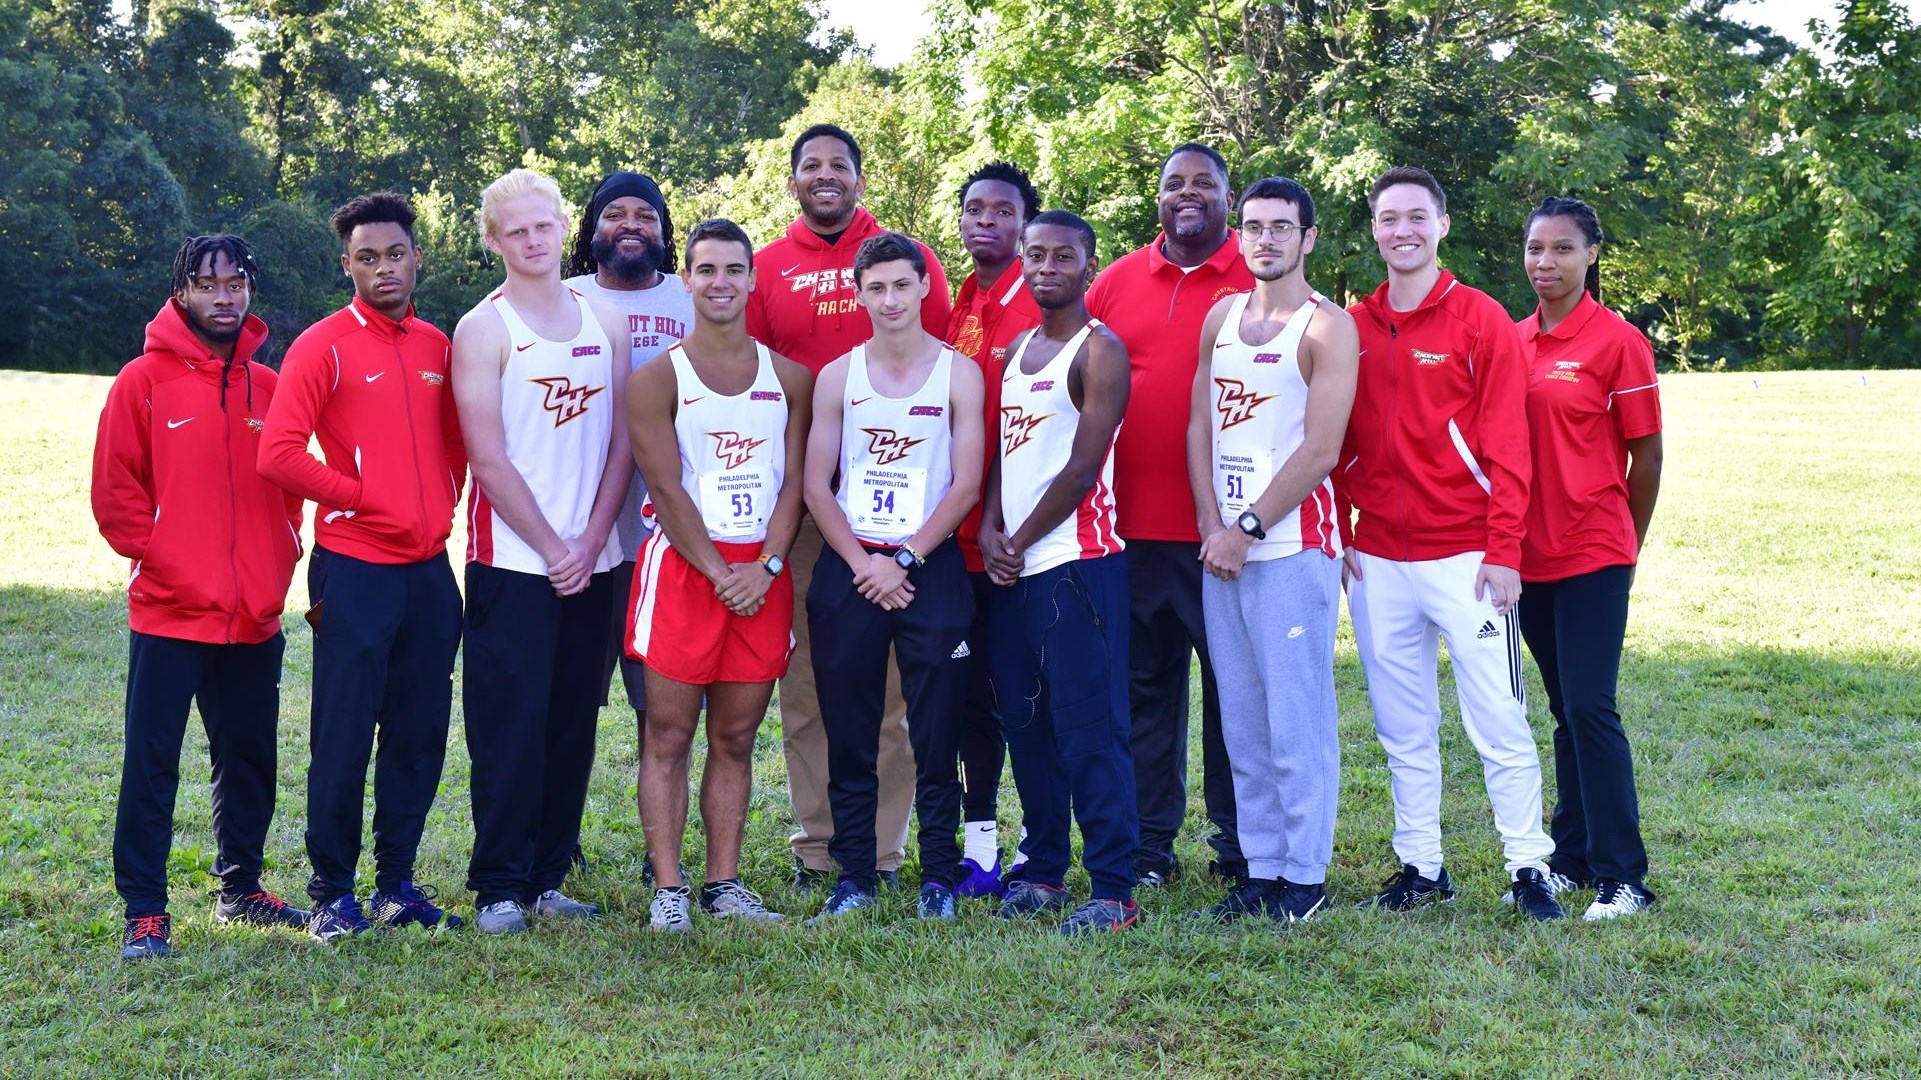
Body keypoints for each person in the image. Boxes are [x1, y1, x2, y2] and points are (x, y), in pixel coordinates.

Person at [1339, 166, 1562, 920]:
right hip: (1377, 561)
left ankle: (1528, 865)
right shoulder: (1353, 326)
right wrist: (1344, 535)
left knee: (1496, 716)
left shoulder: (1479, 319)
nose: (1400, 230)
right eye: (1386, 218)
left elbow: (1508, 446)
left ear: (1442, 225)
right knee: (1402, 726)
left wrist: (1503, 550)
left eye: (1415, 217)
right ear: (1373, 229)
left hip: (1467, 556)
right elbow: (1335, 442)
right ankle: (1420, 866)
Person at [745, 123, 951, 890]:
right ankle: (818, 846)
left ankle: (885, 853)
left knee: (894, 691)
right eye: (810, 166)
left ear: (860, 179)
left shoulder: (907, 255)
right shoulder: (765, 267)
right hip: (805, 507)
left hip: (903, 516)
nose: (824, 175)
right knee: (810, 688)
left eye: (839, 165)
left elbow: (938, 368)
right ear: (793, 180)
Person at [92, 235, 307, 959]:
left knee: (247, 757)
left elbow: (287, 488)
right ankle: (145, 912)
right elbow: (116, 493)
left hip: (253, 617)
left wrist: (282, 552)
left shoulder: (269, 387)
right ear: (181, 290)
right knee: (152, 763)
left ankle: (241, 887)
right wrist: (162, 558)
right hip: (170, 611)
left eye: (236, 283)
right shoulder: (141, 381)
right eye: (208, 284)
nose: (224, 297)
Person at [259, 192, 467, 940]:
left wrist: (441, 499)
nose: (384, 268)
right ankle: (332, 893)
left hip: (429, 574)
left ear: (417, 257)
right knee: (343, 736)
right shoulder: (321, 344)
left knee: (418, 734)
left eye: (396, 253)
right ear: (346, 264)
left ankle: (397, 885)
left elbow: (453, 444)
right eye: (368, 257)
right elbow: (277, 453)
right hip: (353, 570)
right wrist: (361, 497)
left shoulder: (439, 346)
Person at [451, 168, 633, 933]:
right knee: (508, 725)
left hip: (595, 560)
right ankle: (498, 883)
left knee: (570, 724)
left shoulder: (604, 321)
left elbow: (626, 440)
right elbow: (488, 459)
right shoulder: (483, 329)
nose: (532, 240)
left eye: (543, 225)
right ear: (493, 240)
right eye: (515, 230)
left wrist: (591, 540)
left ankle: (549, 874)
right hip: (514, 564)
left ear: (566, 228)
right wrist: (555, 546)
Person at [626, 218, 811, 931]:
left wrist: (762, 568)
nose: (721, 283)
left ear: (752, 278)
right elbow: (665, 489)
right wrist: (717, 571)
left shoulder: (788, 379)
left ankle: (722, 883)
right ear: (687, 280)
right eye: (706, 270)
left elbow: (795, 484)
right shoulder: (655, 379)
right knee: (668, 737)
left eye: (734, 269)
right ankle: (668, 888)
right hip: (684, 574)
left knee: (736, 738)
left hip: (758, 578)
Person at [1187, 178, 1359, 924]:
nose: (1263, 239)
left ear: (1307, 238)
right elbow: (1199, 427)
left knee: (1296, 720)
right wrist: (1210, 526)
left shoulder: (1326, 328)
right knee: (1242, 720)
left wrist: (1245, 529)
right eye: (1252, 227)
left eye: (1280, 228)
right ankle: (1258, 869)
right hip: (1221, 551)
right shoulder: (1220, 316)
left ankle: (1304, 877)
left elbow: (1321, 450)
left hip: (1290, 548)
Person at [802, 232, 985, 923]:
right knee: (848, 729)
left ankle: (937, 874)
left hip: (927, 570)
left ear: (922, 288)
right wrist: (862, 564)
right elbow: (818, 485)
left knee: (935, 734)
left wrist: (903, 559)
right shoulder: (838, 377)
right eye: (874, 288)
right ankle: (856, 874)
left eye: (901, 285)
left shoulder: (956, 374)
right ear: (858, 294)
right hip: (852, 567)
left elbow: (965, 484)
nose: (889, 300)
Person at [1086, 142, 1254, 888]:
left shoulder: (1260, 278)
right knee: (1143, 698)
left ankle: (1240, 844)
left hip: (1228, 536)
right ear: (1156, 197)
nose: (1188, 195)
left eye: (1204, 184)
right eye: (1173, 184)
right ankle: (1150, 848)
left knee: (1235, 699)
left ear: (1228, 196)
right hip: (1129, 533)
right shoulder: (1117, 281)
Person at [981, 210, 1139, 937]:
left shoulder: (1098, 350)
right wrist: (990, 527)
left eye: (1062, 256)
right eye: (1035, 254)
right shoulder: (1016, 349)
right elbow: (1002, 460)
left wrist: (1017, 539)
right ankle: (1043, 869)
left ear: (1088, 263)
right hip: (1014, 569)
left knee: (1090, 732)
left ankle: (1113, 888)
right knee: (1027, 727)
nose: (1045, 266)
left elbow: (1081, 469)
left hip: (1078, 564)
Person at [1514, 196, 1663, 921]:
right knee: (1562, 711)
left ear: (1591, 255)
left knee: (1589, 706)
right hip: (1523, 557)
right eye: (1535, 249)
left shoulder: (1616, 342)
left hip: (1594, 551)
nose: (1545, 262)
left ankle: (1623, 877)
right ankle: (1570, 857)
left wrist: (1624, 545)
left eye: (1562, 249)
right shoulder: (1509, 341)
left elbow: (1647, 451)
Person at [563, 174, 694, 886]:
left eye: (646, 212)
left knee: (661, 697)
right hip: (583, 523)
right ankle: (561, 834)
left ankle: (659, 848)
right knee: (575, 690)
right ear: (592, 227)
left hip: (666, 526)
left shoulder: (689, 297)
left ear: (664, 229)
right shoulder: (565, 299)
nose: (631, 222)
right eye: (615, 211)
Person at [943, 161, 1044, 894]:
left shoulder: (1038, 302)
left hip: (1018, 544)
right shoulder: (961, 301)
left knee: (1027, 700)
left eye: (1002, 211)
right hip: (958, 544)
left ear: (1024, 224)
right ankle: (979, 848)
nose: (986, 221)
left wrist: (1006, 524)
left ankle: (1041, 851)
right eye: (974, 209)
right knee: (971, 702)